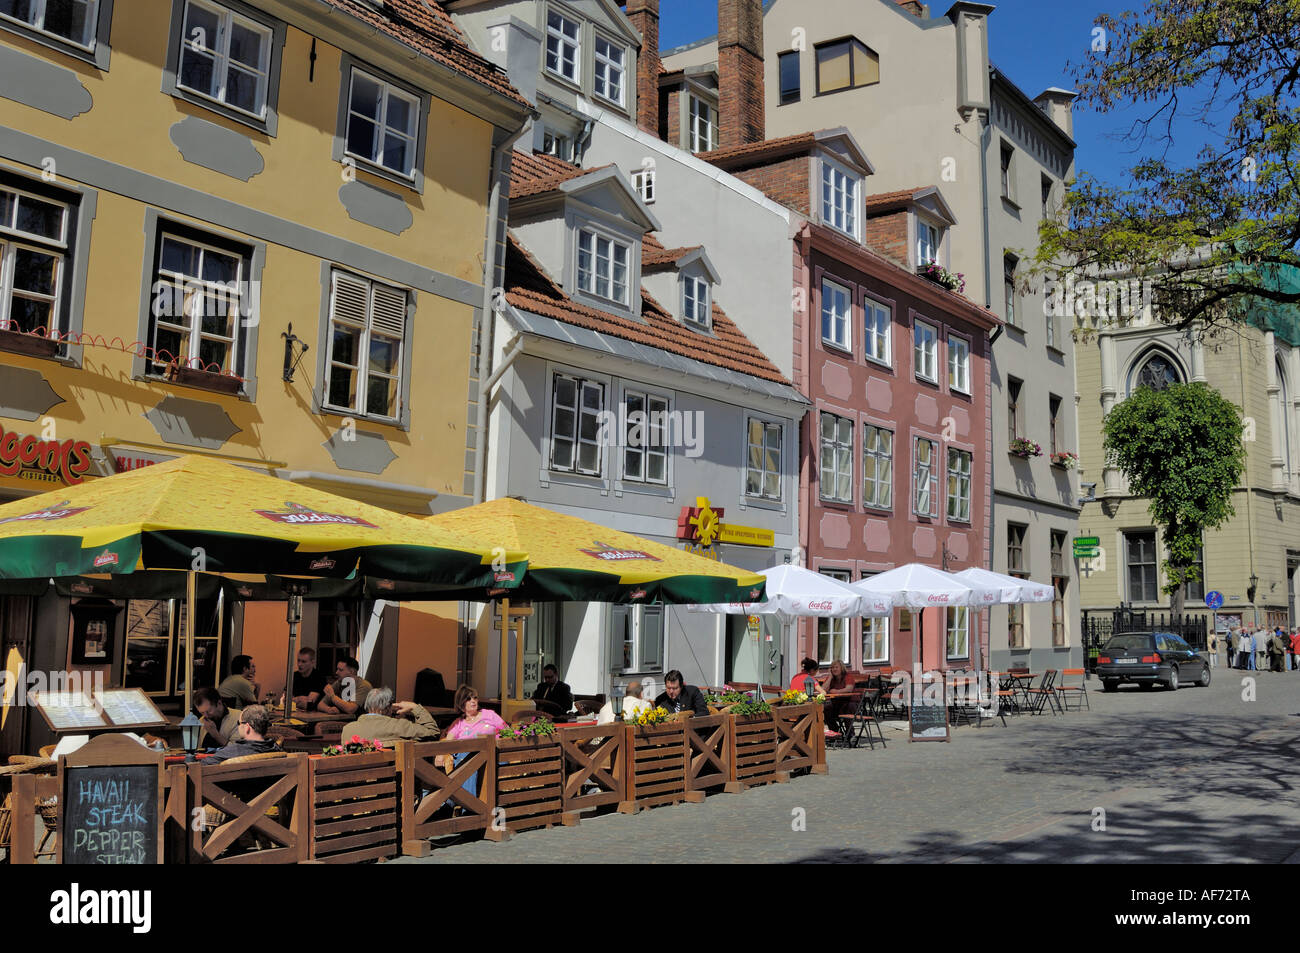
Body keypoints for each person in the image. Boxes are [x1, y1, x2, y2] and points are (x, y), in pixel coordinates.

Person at [435, 686, 507, 799]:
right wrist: (439, 755)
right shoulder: (458, 723)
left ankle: (465, 806)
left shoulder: (489, 715)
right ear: (461, 703)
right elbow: (447, 742)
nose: (473, 701)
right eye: (468, 699)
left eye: (475, 698)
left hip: (493, 756)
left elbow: (507, 732)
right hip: (469, 758)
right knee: (467, 759)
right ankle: (468, 805)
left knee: (467, 760)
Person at [340, 687, 441, 742]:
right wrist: (415, 707)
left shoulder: (348, 730)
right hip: (392, 779)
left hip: (358, 779)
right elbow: (433, 732)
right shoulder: (400, 726)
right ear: (388, 708)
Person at [207, 705, 280, 763]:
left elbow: (205, 763)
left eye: (239, 723)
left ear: (247, 727)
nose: (238, 726)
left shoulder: (234, 752)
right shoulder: (277, 750)